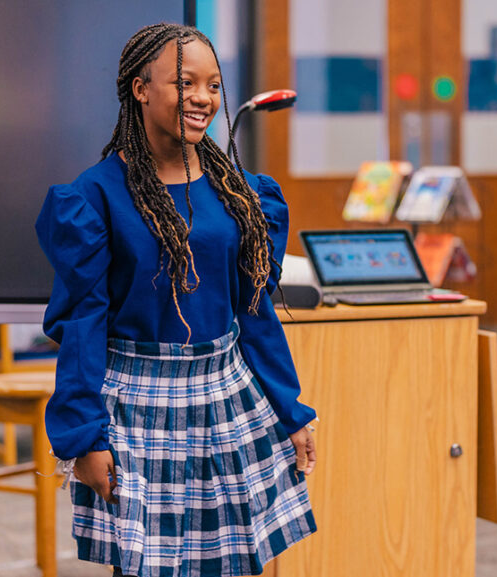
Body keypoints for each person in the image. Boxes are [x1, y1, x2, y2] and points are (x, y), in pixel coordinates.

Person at [35, 23, 318, 577]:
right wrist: (84, 435)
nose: (203, 98)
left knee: (234, 567)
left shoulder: (238, 192)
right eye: (185, 82)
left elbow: (253, 313)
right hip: (137, 407)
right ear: (141, 89)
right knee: (145, 569)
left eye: (214, 85)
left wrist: (290, 410)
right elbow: (83, 324)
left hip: (226, 397)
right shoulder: (93, 197)